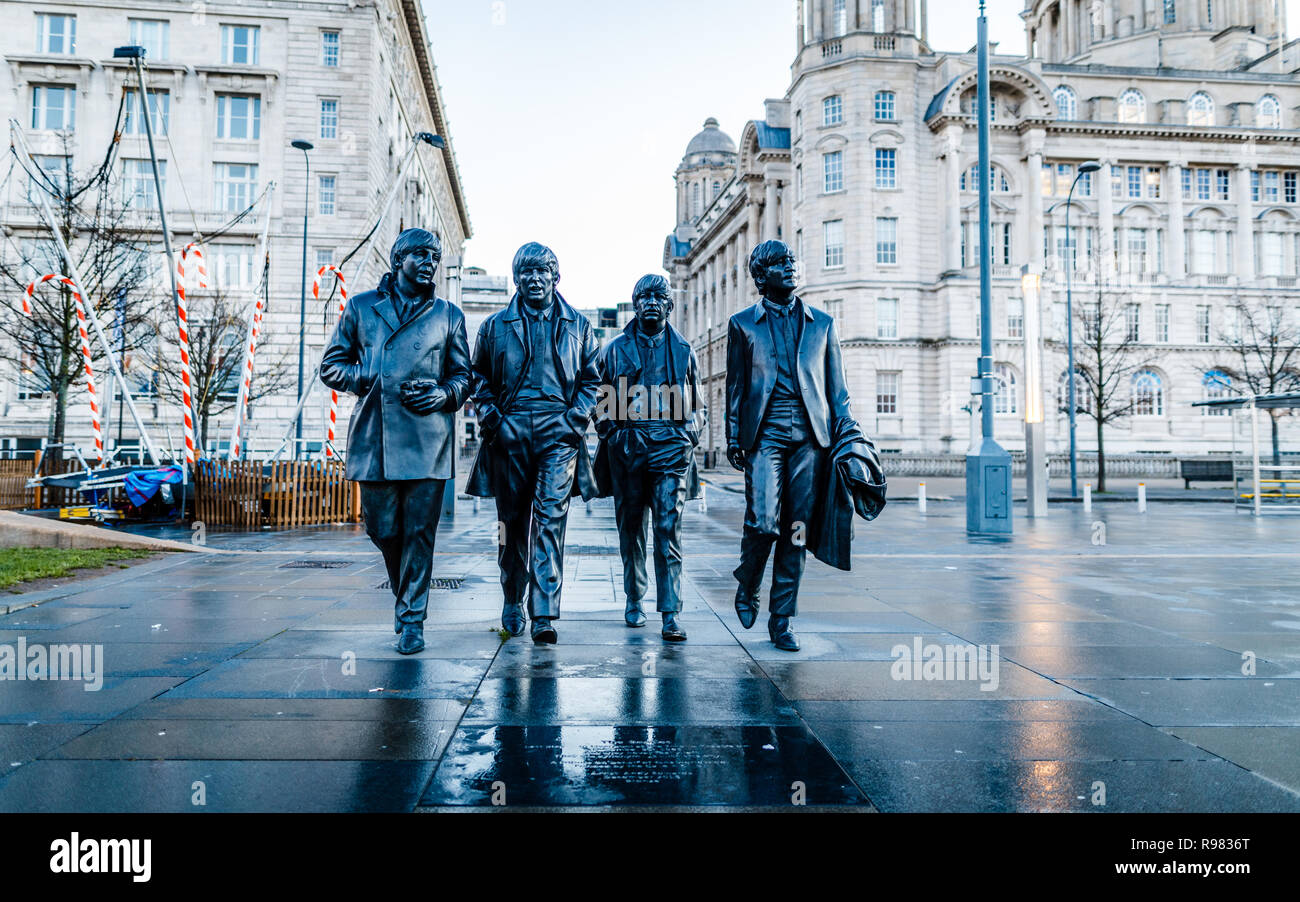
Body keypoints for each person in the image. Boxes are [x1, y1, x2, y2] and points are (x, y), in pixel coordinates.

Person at [320, 228, 469, 655]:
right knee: (383, 528)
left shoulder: (448, 315)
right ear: (398, 260)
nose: (429, 262)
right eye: (421, 254)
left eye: (435, 256)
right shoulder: (363, 308)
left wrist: (444, 393)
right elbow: (331, 366)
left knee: (420, 533)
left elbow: (465, 377)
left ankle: (411, 620)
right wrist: (368, 377)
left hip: (428, 438)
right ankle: (406, 598)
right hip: (376, 437)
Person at [725, 239, 862, 651]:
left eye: (791, 261)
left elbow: (838, 391)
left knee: (796, 531)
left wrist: (847, 436)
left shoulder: (822, 323)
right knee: (764, 523)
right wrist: (734, 434)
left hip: (811, 440)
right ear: (761, 276)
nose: (790, 267)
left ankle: (782, 618)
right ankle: (748, 582)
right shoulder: (743, 324)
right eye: (779, 263)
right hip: (765, 436)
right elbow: (736, 386)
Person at [464, 242, 601, 644]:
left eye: (543, 272)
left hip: (558, 435)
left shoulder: (579, 325)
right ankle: (512, 595)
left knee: (550, 522)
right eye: (526, 272)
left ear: (556, 278)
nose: (534, 279)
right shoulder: (494, 326)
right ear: (516, 279)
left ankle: (543, 612)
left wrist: (572, 421)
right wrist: (493, 419)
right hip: (510, 431)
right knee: (511, 525)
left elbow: (592, 381)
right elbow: (478, 378)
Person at [593, 274, 706, 642]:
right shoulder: (613, 349)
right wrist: (612, 433)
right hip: (629, 449)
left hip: (671, 450)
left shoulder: (685, 350)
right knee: (631, 531)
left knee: (667, 530)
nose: (652, 302)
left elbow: (699, 406)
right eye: (644, 296)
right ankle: (634, 598)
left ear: (670, 305)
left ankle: (671, 611)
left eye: (659, 296)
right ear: (635, 303)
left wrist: (689, 433)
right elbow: (599, 400)